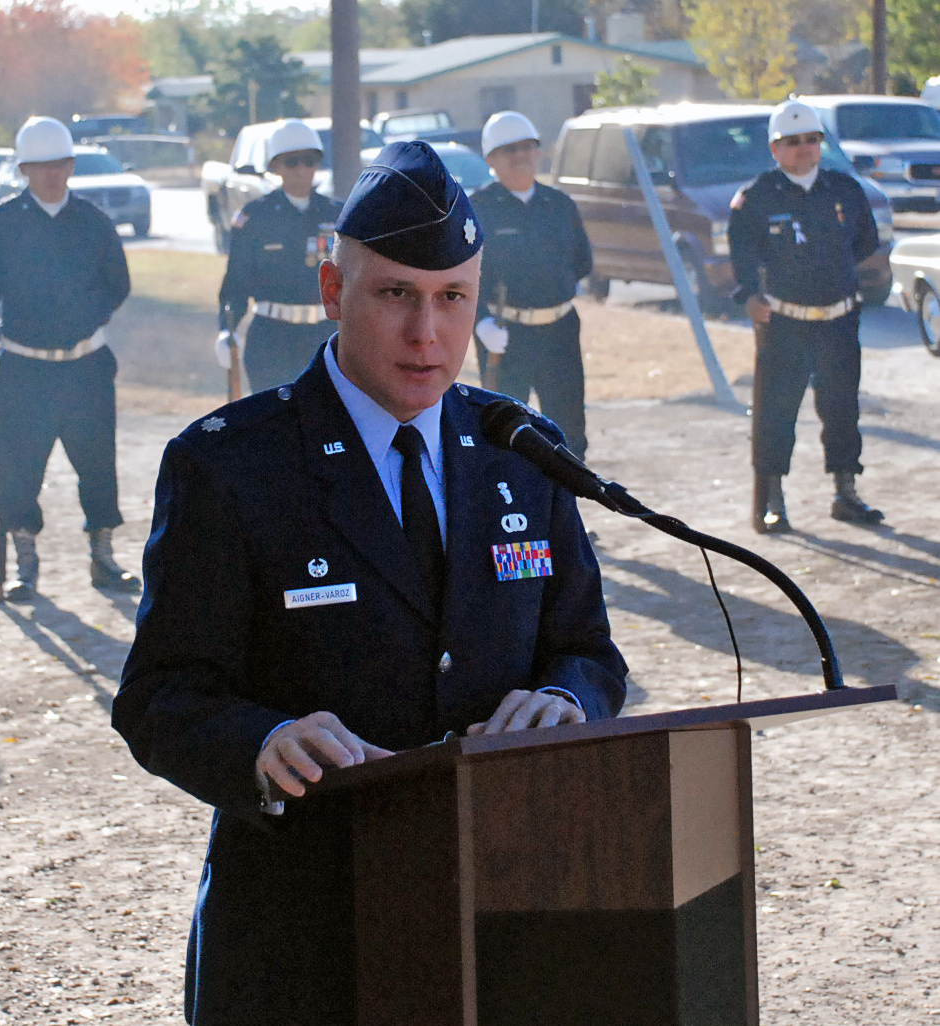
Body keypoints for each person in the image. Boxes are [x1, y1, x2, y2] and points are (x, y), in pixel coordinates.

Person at [112, 140, 628, 1025]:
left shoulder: (521, 454)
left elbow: (585, 650)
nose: (428, 335)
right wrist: (262, 740)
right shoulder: (232, 466)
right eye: (396, 295)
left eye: (452, 299)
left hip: (496, 906)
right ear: (331, 292)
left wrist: (564, 700)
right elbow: (160, 695)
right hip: (302, 930)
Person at [0, 115, 137, 602]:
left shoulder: (94, 221)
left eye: (59, 164)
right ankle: (25, 561)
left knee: (98, 464)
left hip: (85, 366)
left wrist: (87, 318)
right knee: (19, 468)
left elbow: (117, 284)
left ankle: (102, 555)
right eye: (40, 166)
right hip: (25, 367)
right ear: (23, 169)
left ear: (71, 165)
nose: (51, 175)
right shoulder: (1, 223)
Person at [729, 98, 884, 534]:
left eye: (811, 140)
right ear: (774, 148)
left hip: (839, 320)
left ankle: (846, 491)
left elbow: (864, 243)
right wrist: (749, 297)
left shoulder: (846, 190)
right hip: (785, 324)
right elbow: (741, 255)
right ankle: (773, 499)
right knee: (776, 413)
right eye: (792, 142)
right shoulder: (756, 198)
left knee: (841, 409)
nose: (803, 149)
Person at [470, 110, 593, 458]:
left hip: (560, 332)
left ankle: (564, 509)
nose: (522, 156)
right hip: (506, 335)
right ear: (491, 158)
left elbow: (582, 262)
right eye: (510, 150)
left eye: (528, 147)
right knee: (505, 436)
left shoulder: (559, 204)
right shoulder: (478, 208)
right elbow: (463, 274)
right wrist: (481, 321)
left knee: (569, 434)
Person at [215, 118, 341, 391]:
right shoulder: (254, 217)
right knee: (275, 426)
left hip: (325, 337)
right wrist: (228, 329)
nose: (301, 169)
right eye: (291, 161)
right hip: (272, 338)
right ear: (275, 166)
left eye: (309, 160)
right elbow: (236, 281)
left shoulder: (339, 215)